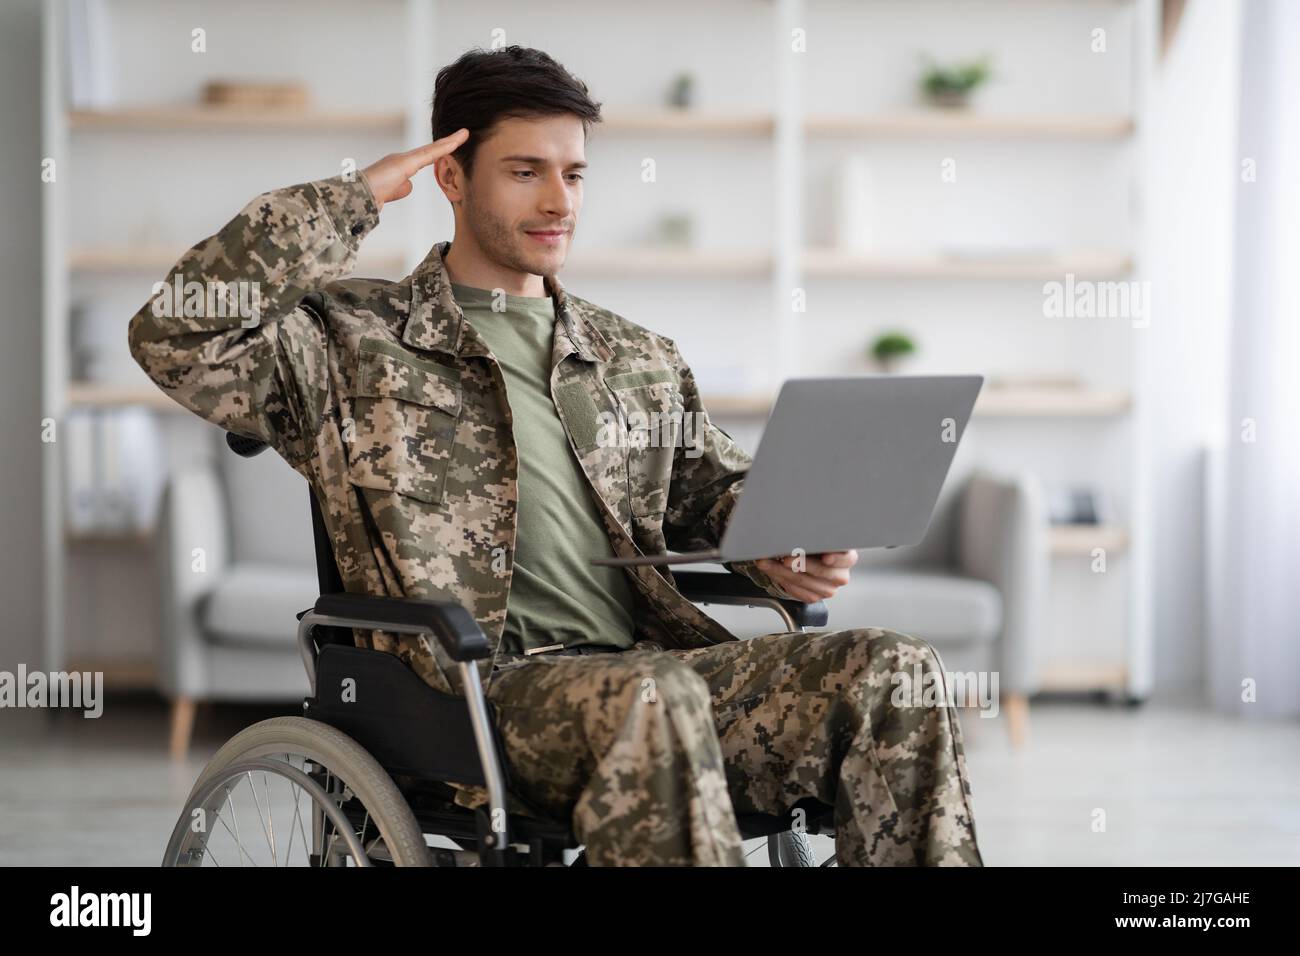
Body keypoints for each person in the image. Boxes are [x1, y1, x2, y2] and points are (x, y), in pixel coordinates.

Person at [128, 45, 983, 866]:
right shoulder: (347, 339)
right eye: (525, 171)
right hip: (470, 698)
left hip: (655, 672)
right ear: (451, 178)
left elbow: (713, 492)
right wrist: (353, 196)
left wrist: (784, 546)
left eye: (572, 174)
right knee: (658, 695)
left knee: (893, 669)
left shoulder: (633, 356)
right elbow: (176, 332)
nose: (558, 201)